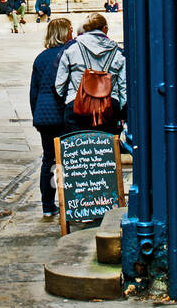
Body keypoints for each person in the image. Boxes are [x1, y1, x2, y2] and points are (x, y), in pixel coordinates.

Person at [30, 18, 76, 217]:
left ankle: (48, 205)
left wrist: (36, 116)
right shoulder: (71, 54)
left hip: (45, 116)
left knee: (49, 159)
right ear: (64, 33)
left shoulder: (40, 58)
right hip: (65, 113)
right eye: (70, 30)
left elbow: (34, 92)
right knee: (70, 158)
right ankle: (73, 202)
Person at [55, 12, 127, 136]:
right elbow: (124, 87)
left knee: (77, 144)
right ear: (104, 28)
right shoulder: (117, 52)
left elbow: (59, 85)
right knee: (106, 146)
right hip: (108, 107)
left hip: (76, 104)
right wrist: (120, 109)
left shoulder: (71, 49)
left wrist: (66, 101)